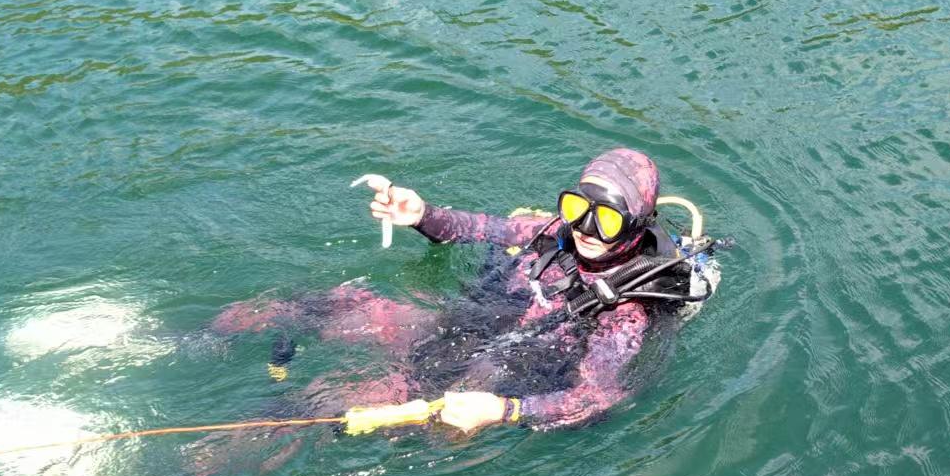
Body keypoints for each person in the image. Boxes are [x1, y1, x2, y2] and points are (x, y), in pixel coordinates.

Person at [208, 149, 709, 439]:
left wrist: (506, 411)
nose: (585, 229)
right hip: (461, 325)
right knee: (320, 302)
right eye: (578, 208)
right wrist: (422, 216)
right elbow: (481, 228)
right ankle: (189, 338)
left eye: (608, 220)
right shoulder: (554, 231)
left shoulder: (628, 313)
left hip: (498, 373)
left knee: (326, 403)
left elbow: (598, 396)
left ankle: (206, 464)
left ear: (636, 223)